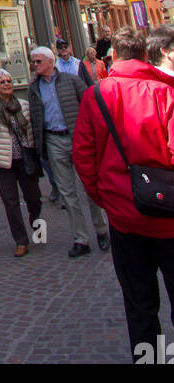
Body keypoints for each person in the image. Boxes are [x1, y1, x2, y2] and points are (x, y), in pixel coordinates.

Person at [73, 26, 174, 361]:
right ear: (146, 54)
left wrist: (106, 198)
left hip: (124, 219)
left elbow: (83, 158)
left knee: (139, 307)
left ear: (112, 56)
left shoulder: (96, 95)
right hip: (170, 218)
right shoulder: (165, 93)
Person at [28, 45, 109, 257]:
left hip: (77, 139)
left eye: (38, 61)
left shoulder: (70, 81)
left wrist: (91, 137)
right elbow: (36, 119)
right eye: (33, 61)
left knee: (89, 187)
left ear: (50, 62)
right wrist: (40, 146)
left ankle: (101, 230)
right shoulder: (33, 88)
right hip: (53, 141)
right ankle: (81, 238)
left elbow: (90, 105)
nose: (34, 65)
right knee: (67, 193)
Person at [0, 68, 42, 257]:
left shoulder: (23, 104)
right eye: (2, 82)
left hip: (25, 159)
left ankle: (36, 222)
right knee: (11, 202)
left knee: (34, 198)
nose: (7, 84)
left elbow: (31, 130)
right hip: (2, 161)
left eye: (9, 81)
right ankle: (21, 240)